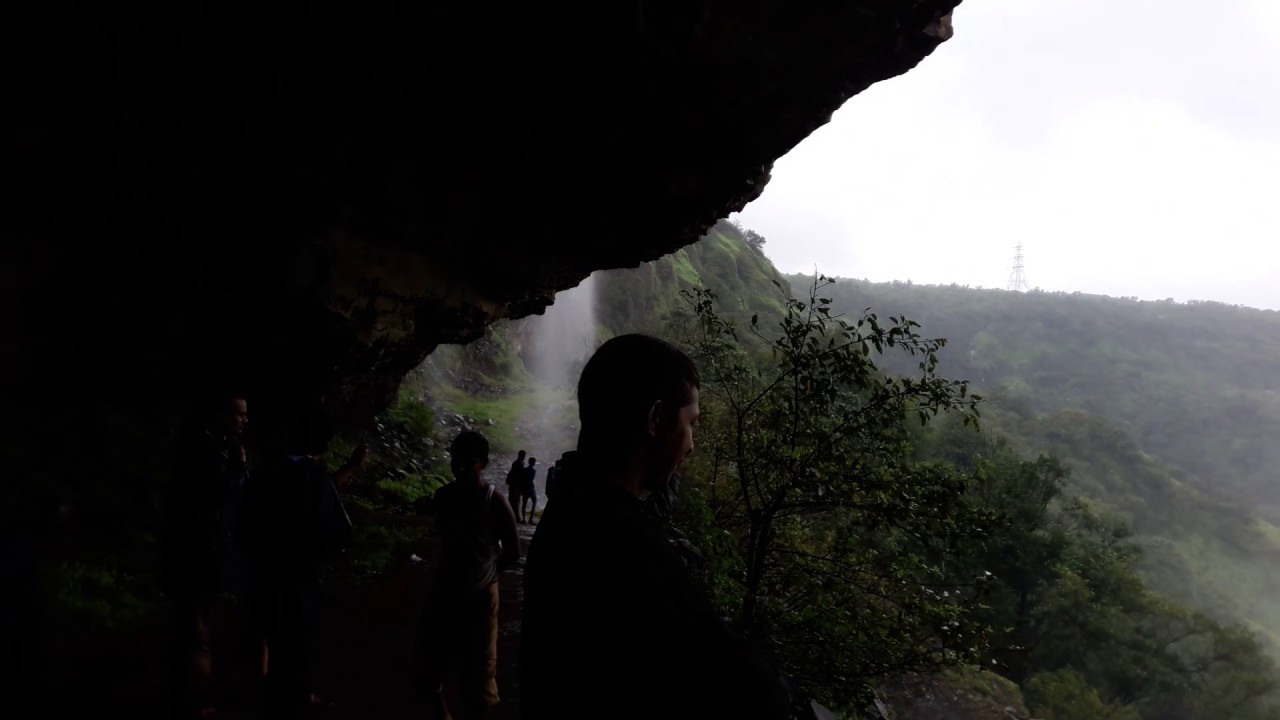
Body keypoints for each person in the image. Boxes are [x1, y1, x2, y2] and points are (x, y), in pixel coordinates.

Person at [521, 334, 795, 720]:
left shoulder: (574, 504)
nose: (692, 444)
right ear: (655, 419)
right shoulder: (622, 543)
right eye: (691, 423)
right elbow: (751, 688)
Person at [251, 402, 366, 719]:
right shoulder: (315, 478)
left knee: (272, 642)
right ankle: (297, 701)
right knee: (299, 647)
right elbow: (339, 534)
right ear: (324, 443)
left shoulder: (267, 472)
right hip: (303, 581)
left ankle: (271, 700)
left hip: (265, 576)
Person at [163, 390, 258, 720]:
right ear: (219, 414)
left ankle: (187, 697)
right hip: (199, 554)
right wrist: (239, 468)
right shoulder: (211, 451)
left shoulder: (209, 446)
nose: (244, 420)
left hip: (199, 551)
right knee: (197, 630)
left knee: (194, 627)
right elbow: (222, 497)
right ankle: (191, 704)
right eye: (238, 414)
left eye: (245, 414)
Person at [418, 430, 520, 720]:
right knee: (431, 667)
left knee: (480, 676)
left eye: (468, 461)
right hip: (448, 590)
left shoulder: (496, 502)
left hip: (480, 596)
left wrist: (485, 574)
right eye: (456, 460)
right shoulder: (445, 496)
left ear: (483, 463)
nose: (459, 466)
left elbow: (513, 551)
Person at [505, 450, 526, 523]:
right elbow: (519, 476)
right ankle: (515, 518)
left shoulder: (516, 462)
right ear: (523, 455)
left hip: (513, 485)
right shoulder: (520, 463)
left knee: (512, 501)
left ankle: (511, 517)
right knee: (515, 502)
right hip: (516, 485)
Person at [520, 457, 538, 524]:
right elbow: (532, 478)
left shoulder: (524, 470)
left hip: (525, 488)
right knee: (534, 501)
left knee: (524, 503)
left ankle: (524, 519)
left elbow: (522, 479)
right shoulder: (533, 470)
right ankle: (530, 519)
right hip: (530, 487)